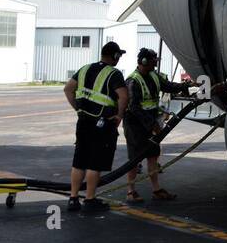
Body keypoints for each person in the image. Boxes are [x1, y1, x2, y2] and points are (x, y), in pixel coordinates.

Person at [63, 41, 128, 213]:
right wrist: (120, 115)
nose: (119, 59)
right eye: (118, 56)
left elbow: (68, 89)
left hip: (83, 121)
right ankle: (90, 199)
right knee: (95, 162)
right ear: (115, 56)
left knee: (79, 160)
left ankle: (73, 198)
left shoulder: (84, 69)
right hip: (103, 123)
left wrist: (78, 107)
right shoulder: (113, 73)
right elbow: (123, 96)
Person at [124, 48, 192, 202]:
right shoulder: (133, 81)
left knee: (153, 155)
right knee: (134, 159)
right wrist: (152, 125)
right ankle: (130, 191)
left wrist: (186, 85)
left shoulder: (153, 75)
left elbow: (167, 86)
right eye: (153, 61)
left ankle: (156, 190)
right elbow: (134, 108)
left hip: (150, 122)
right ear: (144, 62)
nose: (155, 64)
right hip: (135, 124)